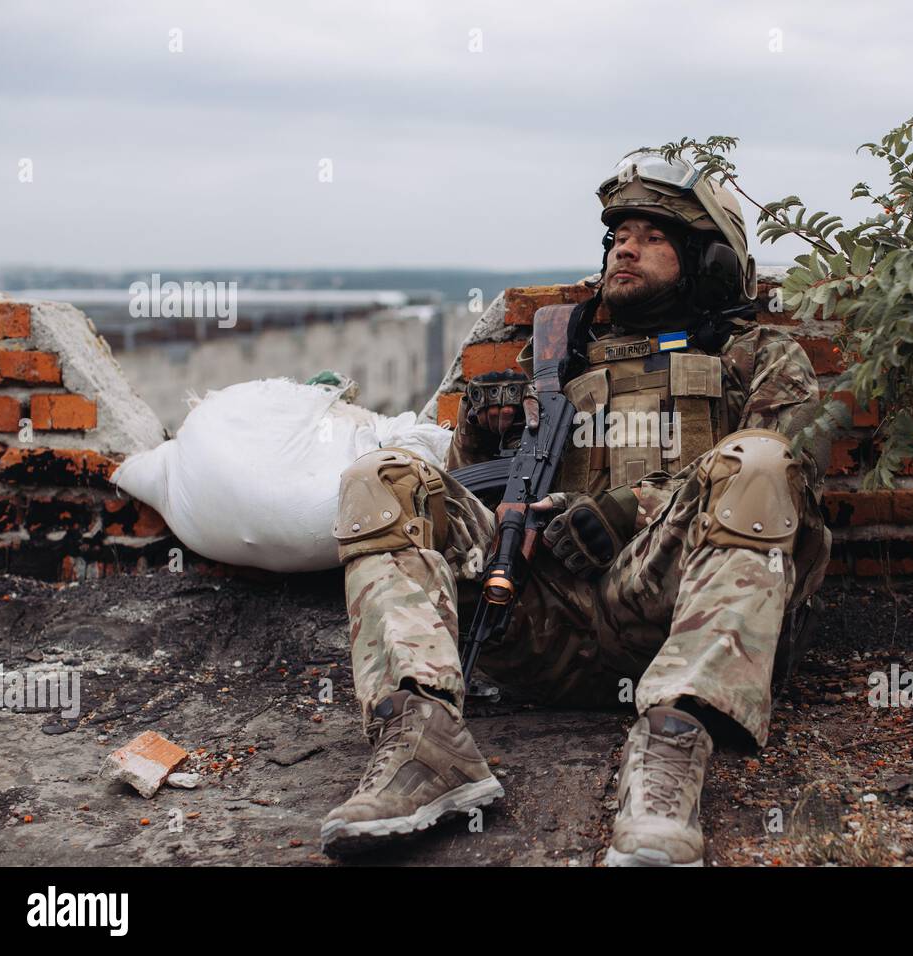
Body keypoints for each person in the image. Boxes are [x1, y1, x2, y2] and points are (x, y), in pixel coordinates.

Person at [321, 149, 832, 865]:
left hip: (667, 609)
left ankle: (673, 746)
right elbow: (464, 503)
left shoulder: (758, 356)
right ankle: (422, 739)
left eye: (653, 235)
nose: (627, 246)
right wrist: (502, 493)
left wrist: (630, 509)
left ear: (708, 257)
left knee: (758, 461)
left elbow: (794, 474)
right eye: (620, 234)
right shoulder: (556, 359)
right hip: (542, 623)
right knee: (382, 476)